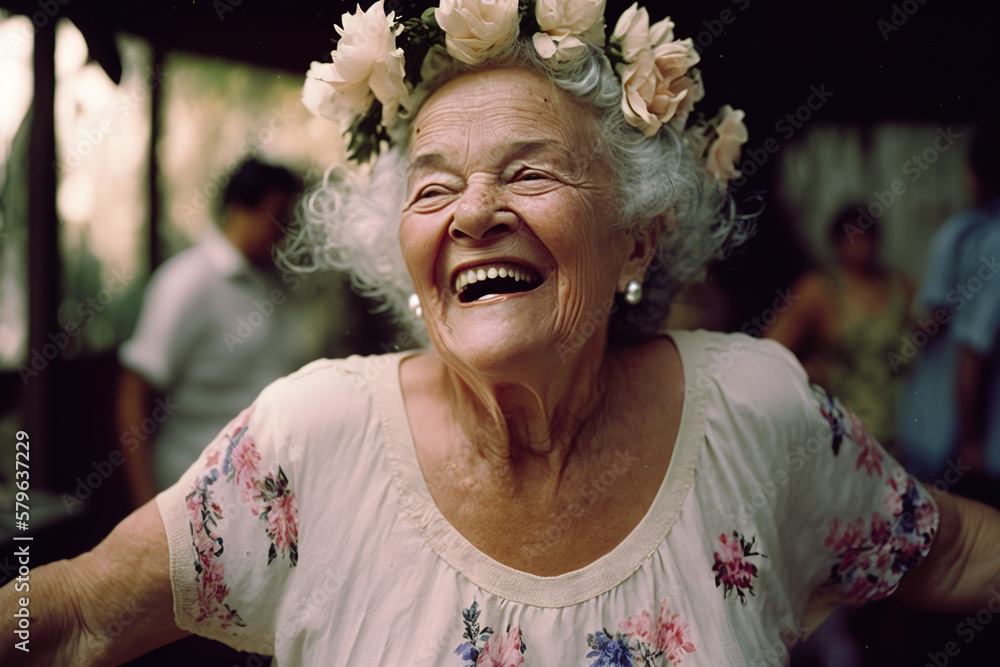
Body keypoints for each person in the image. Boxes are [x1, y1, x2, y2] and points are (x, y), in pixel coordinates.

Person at [3, 2, 999, 665]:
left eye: (528, 172)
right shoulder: (311, 434)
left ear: (636, 236)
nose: (472, 210)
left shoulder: (754, 406)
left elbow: (948, 553)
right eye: (432, 186)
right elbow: (81, 613)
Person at [116, 158, 306, 508]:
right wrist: (146, 509)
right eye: (278, 216)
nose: (285, 230)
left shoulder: (275, 281)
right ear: (238, 209)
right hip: (191, 493)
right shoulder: (187, 282)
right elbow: (132, 395)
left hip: (259, 494)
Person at [899, 127, 1000, 488]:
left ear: (974, 174)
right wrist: (971, 441)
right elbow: (971, 347)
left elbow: (929, 322)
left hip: (936, 433)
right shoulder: (973, 238)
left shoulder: (957, 234)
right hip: (968, 445)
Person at [765, 207, 913, 452]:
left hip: (895, 431)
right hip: (841, 433)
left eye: (866, 236)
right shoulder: (819, 290)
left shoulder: (899, 287)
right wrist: (806, 372)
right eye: (852, 237)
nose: (860, 245)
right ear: (836, 242)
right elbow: (769, 350)